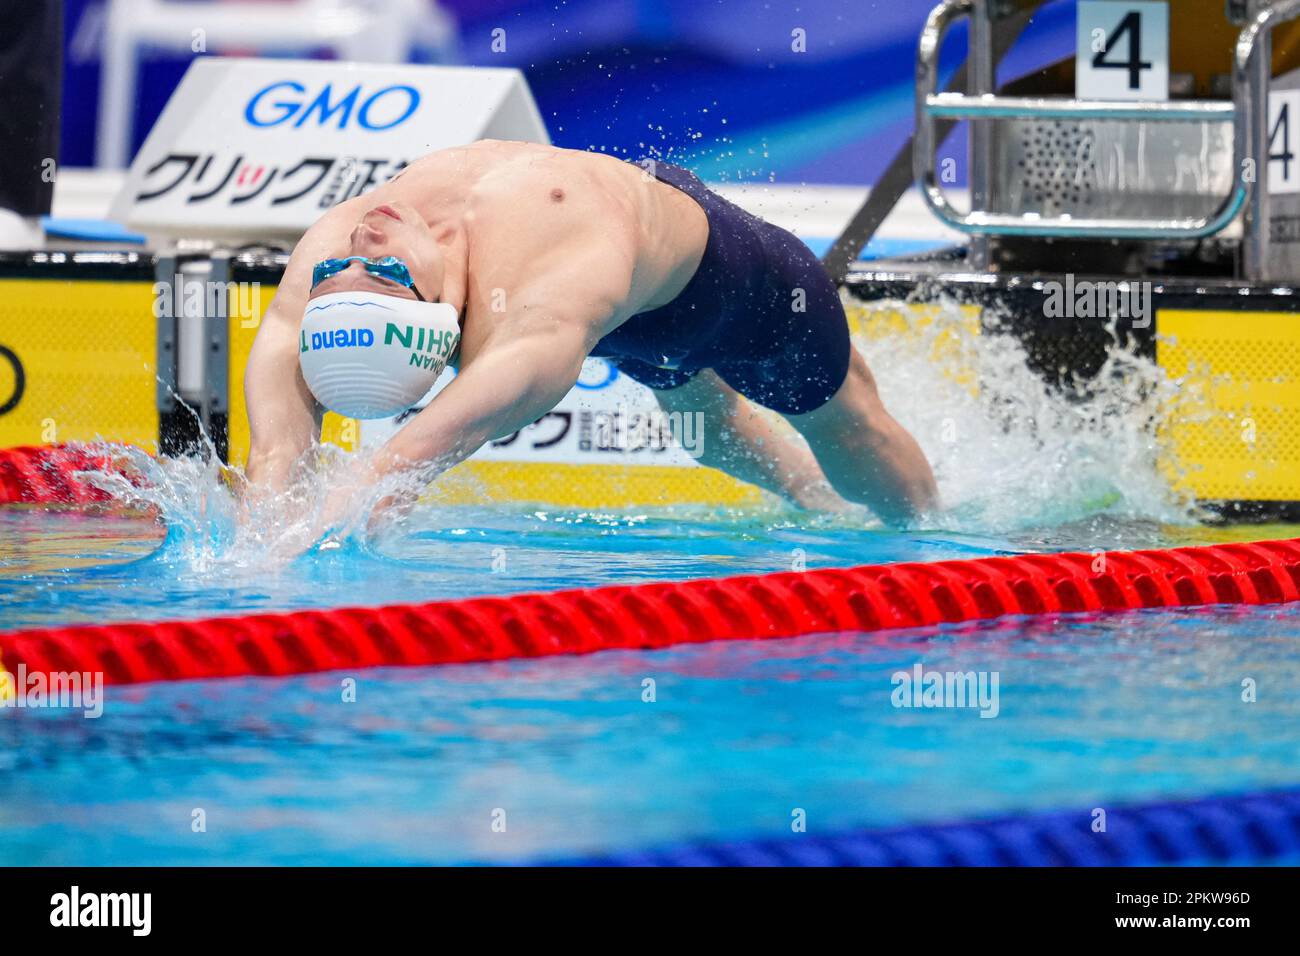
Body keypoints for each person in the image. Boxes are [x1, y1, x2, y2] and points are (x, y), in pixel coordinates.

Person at [244, 140, 937, 527]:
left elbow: (388, 443)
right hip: (600, 294)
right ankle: (814, 499)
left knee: (847, 423)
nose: (364, 237)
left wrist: (359, 484)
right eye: (379, 268)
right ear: (440, 318)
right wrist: (276, 536)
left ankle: (926, 529)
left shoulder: (356, 238)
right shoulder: (510, 321)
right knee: (713, 434)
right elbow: (298, 453)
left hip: (734, 283)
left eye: (346, 267)